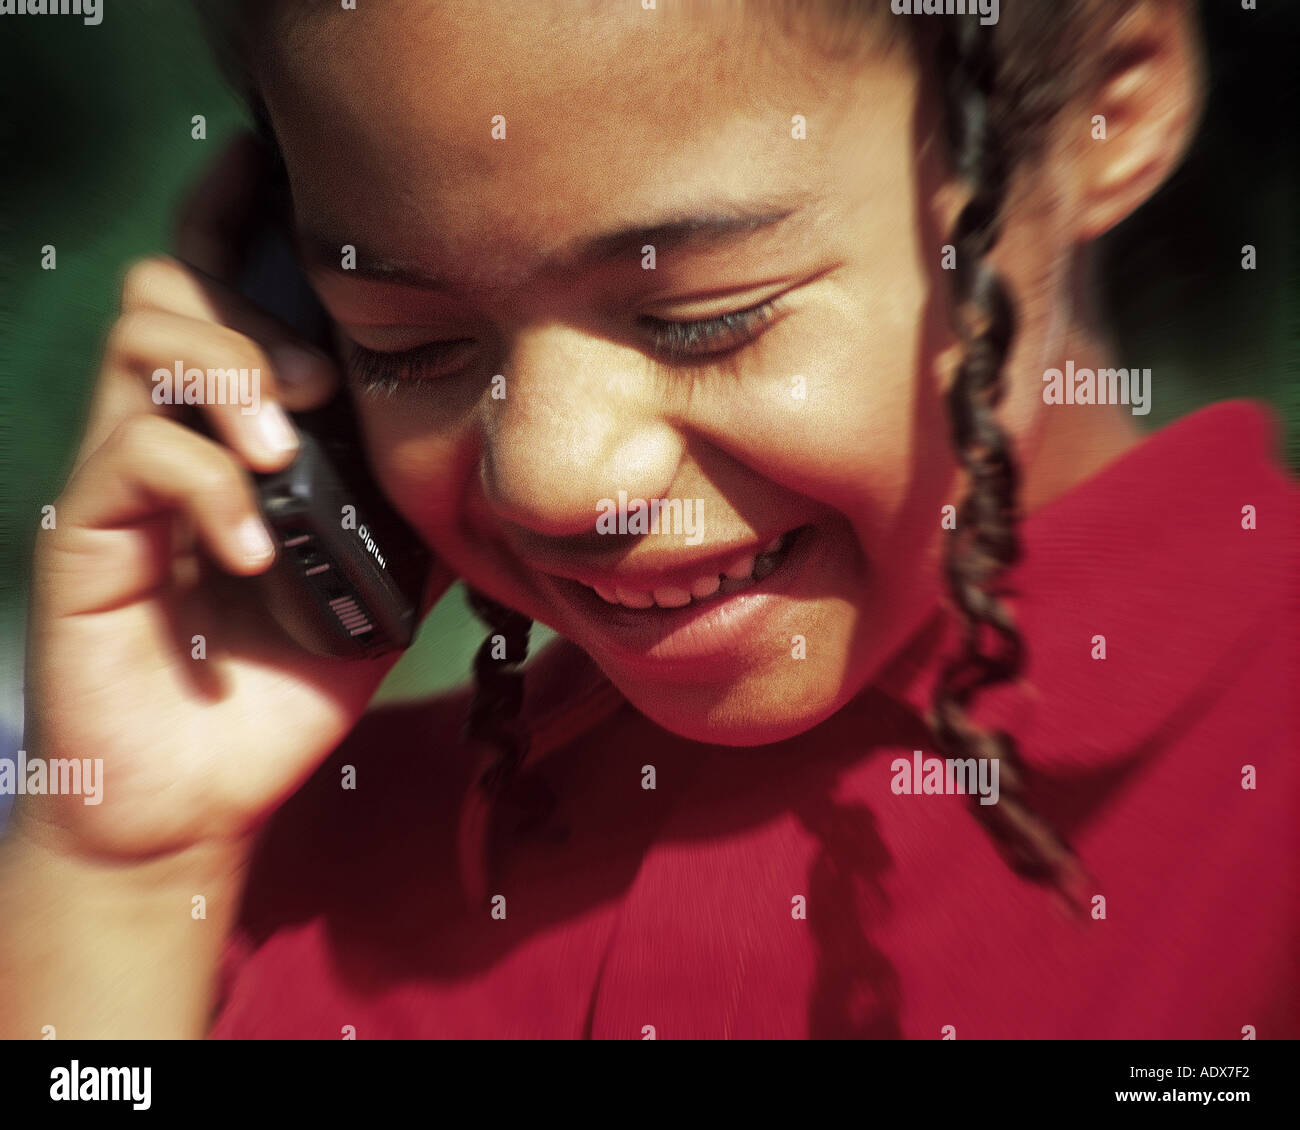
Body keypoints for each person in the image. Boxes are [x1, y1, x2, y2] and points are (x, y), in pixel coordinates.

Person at [2, 0, 1294, 1039]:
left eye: (702, 318)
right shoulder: (275, 873)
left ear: (1104, 113)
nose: (553, 475)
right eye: (411, 345)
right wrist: (120, 877)